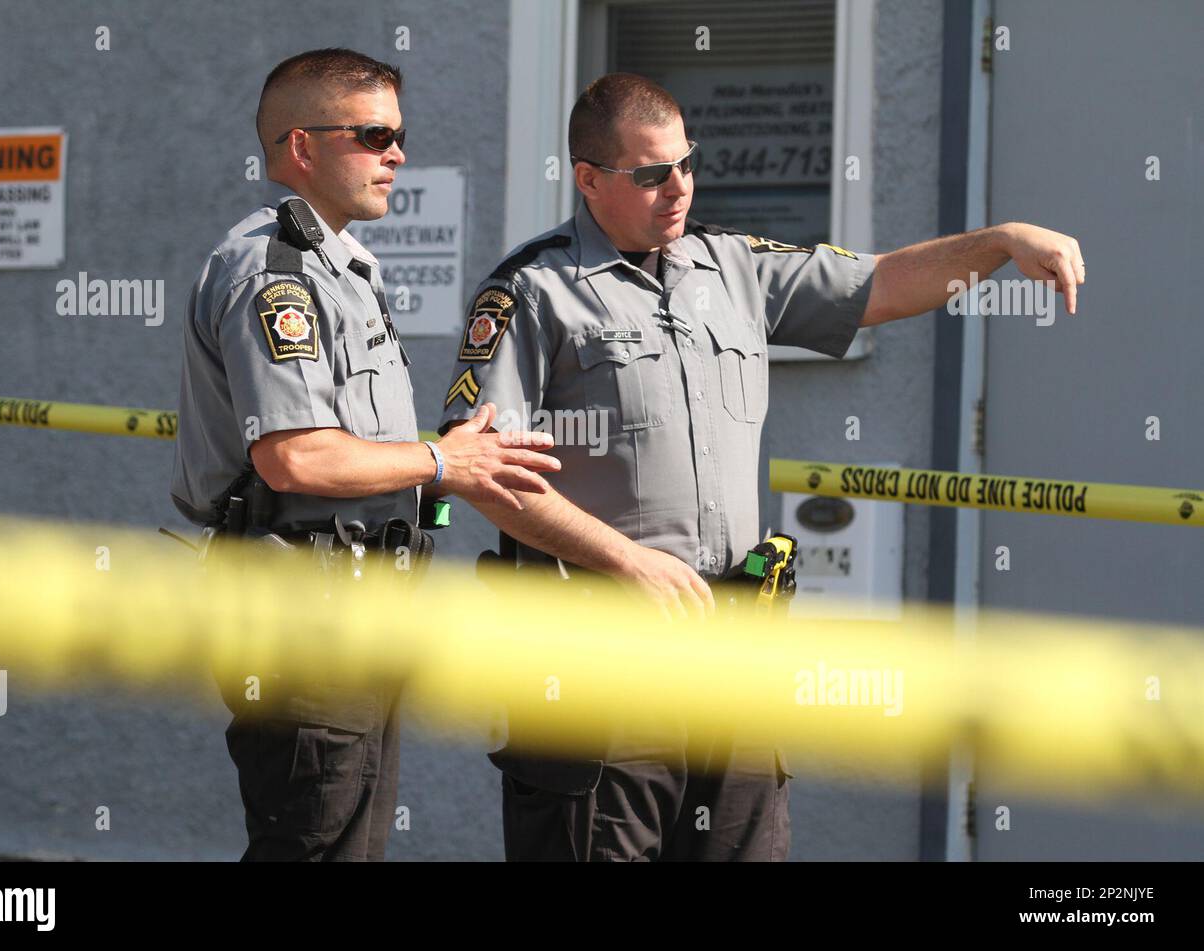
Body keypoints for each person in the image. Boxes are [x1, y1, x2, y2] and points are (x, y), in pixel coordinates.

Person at [437, 72, 1085, 862]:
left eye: (686, 164)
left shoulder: (733, 267)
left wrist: (1000, 241)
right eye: (650, 174)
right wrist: (624, 558)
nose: (677, 187)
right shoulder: (532, 291)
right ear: (589, 179)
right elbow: (484, 473)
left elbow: (879, 283)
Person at [170, 47, 560, 862]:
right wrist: (444, 462)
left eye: (399, 134)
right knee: (314, 846)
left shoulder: (341, 268)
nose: (397, 154)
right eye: (374, 134)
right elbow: (298, 460)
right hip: (304, 614)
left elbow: (356, 452)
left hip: (358, 606)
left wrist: (462, 456)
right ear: (302, 148)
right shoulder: (276, 272)